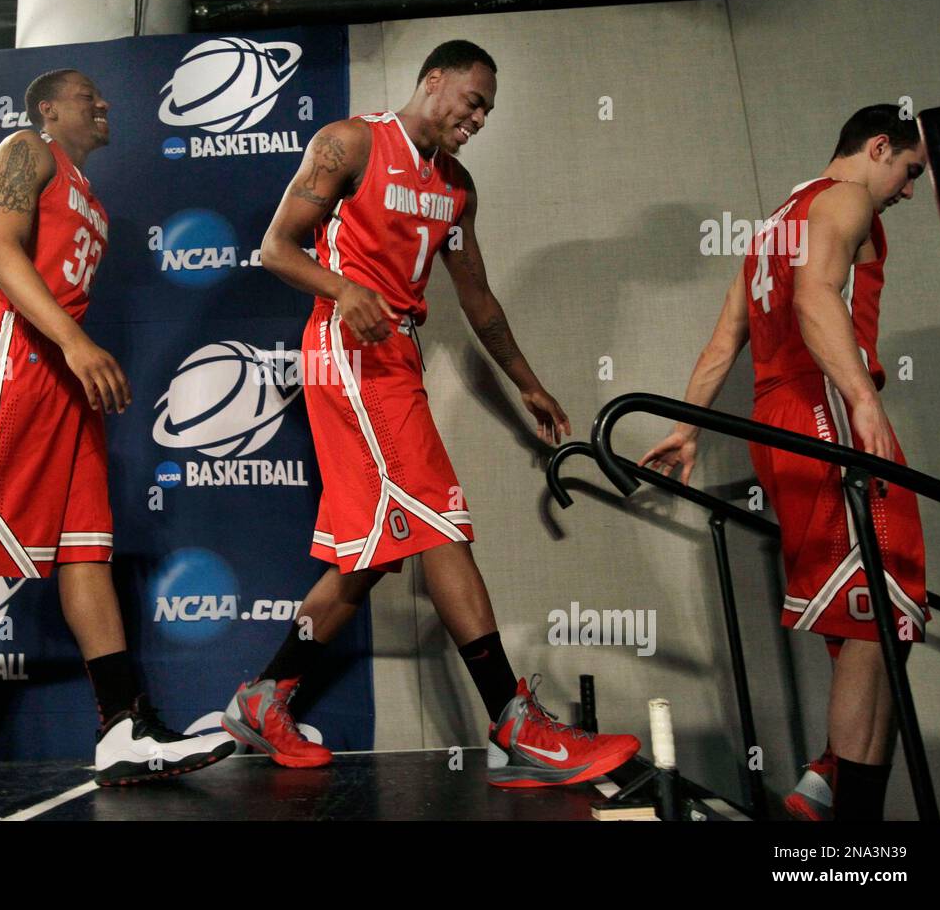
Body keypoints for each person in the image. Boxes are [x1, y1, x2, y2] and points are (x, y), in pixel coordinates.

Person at [220, 40, 641, 788]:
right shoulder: (351, 142)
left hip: (397, 355)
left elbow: (477, 300)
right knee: (442, 520)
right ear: (433, 80)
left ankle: (265, 695)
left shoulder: (457, 187)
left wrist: (527, 383)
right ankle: (514, 724)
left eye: (486, 110)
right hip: (347, 347)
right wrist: (340, 289)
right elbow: (276, 248)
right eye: (471, 100)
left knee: (374, 555)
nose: (477, 117)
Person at [0, 69, 233, 791]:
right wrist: (77, 343)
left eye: (104, 93)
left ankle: (121, 726)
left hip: (60, 376)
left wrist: (72, 355)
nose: (104, 101)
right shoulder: (26, 149)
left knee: (85, 543)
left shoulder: (90, 196)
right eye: (88, 94)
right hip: (8, 356)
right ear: (50, 108)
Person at [640, 105, 930, 821]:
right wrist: (861, 399)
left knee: (863, 614)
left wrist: (688, 427)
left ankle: (829, 779)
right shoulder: (850, 196)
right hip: (822, 402)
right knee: (882, 605)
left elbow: (723, 342)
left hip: (776, 421)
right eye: (910, 170)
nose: (909, 189)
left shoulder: (774, 222)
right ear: (877, 146)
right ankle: (848, 821)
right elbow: (814, 295)